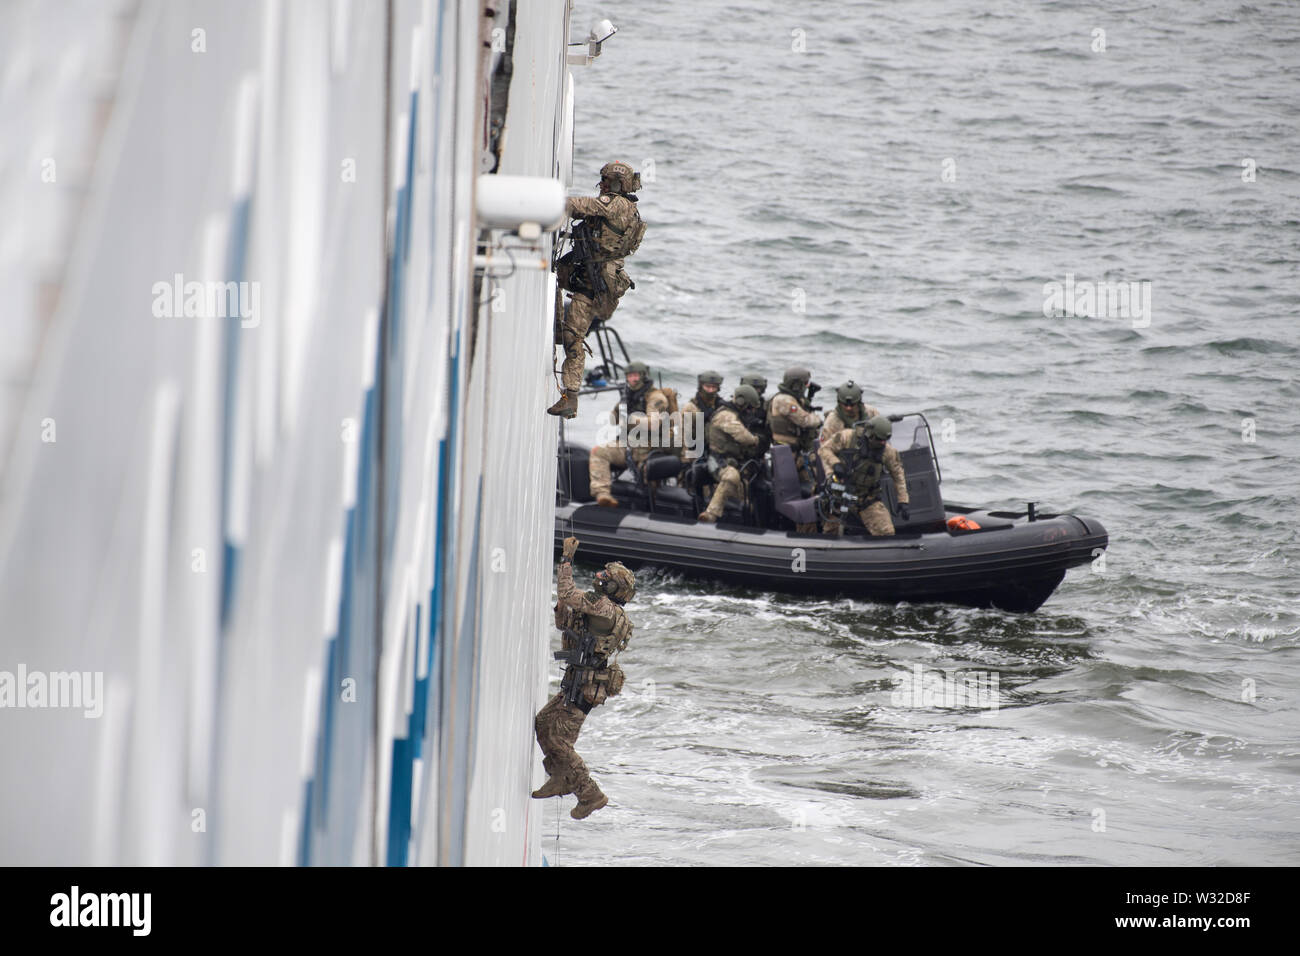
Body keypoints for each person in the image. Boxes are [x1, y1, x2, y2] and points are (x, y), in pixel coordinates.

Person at [533, 536, 636, 819]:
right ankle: (560, 777)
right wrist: (562, 612)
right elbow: (566, 623)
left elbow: (567, 593)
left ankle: (590, 793)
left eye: (606, 576)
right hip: (579, 677)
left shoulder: (604, 607)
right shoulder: (604, 610)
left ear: (615, 587)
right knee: (543, 723)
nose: (600, 577)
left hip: (586, 685)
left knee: (559, 743)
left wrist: (566, 558)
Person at [547, 162, 646, 418]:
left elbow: (581, 206)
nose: (602, 184)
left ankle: (571, 395)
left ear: (617, 184)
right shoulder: (626, 208)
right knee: (571, 332)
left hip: (595, 283)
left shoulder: (617, 204)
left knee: (573, 337)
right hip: (595, 279)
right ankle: (558, 330)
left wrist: (545, 201)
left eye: (606, 181)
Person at [817, 415, 910, 537]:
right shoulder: (847, 437)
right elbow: (824, 450)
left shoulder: (888, 452)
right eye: (879, 439)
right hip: (841, 495)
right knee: (830, 533)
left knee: (886, 533)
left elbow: (898, 475)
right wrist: (836, 464)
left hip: (867, 498)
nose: (882, 443)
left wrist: (903, 501)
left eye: (885, 440)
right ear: (870, 434)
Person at [697, 384, 767, 523]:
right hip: (717, 461)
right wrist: (757, 440)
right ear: (741, 403)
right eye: (749, 408)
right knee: (731, 477)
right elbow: (744, 437)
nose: (751, 411)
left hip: (733, 460)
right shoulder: (726, 416)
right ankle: (710, 514)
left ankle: (749, 520)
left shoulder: (736, 414)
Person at [766, 365, 822, 531]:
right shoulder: (784, 400)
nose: (806, 388)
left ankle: (809, 527)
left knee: (813, 487)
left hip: (795, 453)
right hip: (787, 455)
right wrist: (818, 419)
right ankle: (799, 528)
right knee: (793, 493)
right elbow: (805, 420)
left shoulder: (793, 398)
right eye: (804, 384)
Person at [588, 411, 653, 507]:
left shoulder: (656, 397)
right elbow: (613, 420)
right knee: (599, 451)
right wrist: (622, 405)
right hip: (630, 445)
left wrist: (632, 419)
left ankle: (651, 502)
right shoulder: (632, 397)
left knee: (649, 479)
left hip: (650, 447)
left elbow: (654, 423)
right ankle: (602, 493)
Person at [680, 370, 723, 462]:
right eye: (707, 387)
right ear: (701, 386)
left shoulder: (721, 405)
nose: (710, 390)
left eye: (714, 387)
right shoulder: (690, 408)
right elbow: (684, 435)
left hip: (716, 448)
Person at [819, 380, 880, 444]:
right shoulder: (832, 421)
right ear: (839, 402)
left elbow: (882, 436)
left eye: (852, 405)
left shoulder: (871, 412)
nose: (848, 408)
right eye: (845, 405)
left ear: (858, 402)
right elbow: (823, 448)